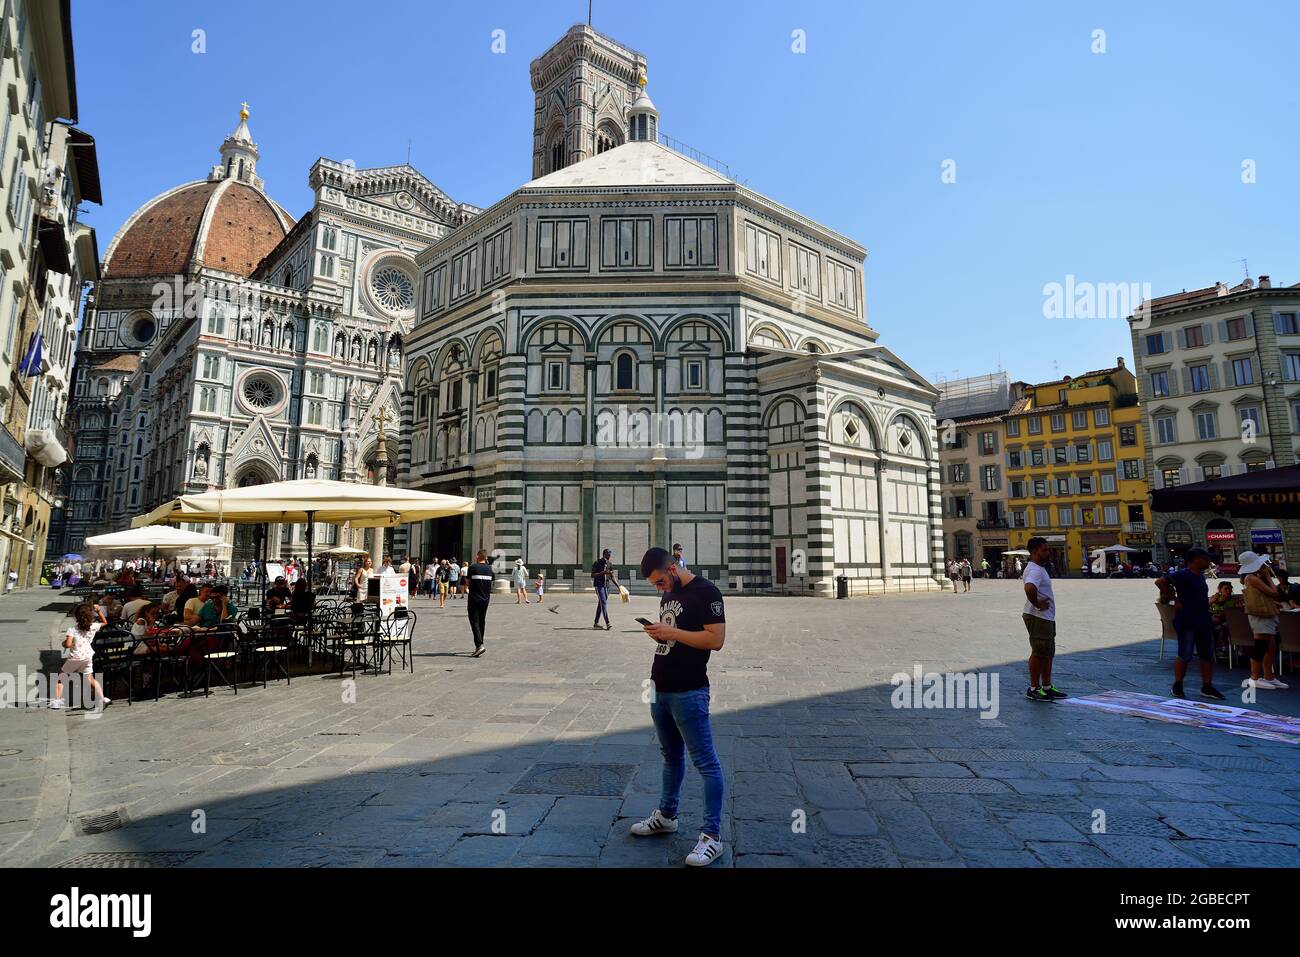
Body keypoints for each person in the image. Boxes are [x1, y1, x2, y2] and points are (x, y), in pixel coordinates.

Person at [629, 546, 726, 867]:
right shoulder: (667, 595)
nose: (659, 589)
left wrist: (671, 632)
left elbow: (715, 639)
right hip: (660, 686)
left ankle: (712, 837)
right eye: (655, 585)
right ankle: (667, 816)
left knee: (706, 763)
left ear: (672, 568)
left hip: (690, 689)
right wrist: (659, 634)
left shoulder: (706, 592)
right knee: (670, 756)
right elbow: (673, 638)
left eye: (659, 581)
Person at [1155, 548, 1225, 700]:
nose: (1208, 561)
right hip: (1187, 620)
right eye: (1205, 558)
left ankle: (1207, 686)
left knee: (1206, 655)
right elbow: (1160, 582)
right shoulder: (1183, 574)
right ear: (1194, 560)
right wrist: (1175, 598)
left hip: (1203, 619)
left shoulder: (1200, 576)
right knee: (1185, 654)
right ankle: (1178, 685)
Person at [1022, 536, 1066, 702]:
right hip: (1038, 616)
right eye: (1044, 550)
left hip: (1045, 617)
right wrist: (1037, 603)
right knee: (1039, 652)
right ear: (1034, 552)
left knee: (1047, 653)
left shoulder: (1038, 568)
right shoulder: (1035, 569)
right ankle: (1034, 688)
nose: (1048, 553)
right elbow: (1029, 588)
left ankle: (1047, 687)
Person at [1239, 550, 1286, 691]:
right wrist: (1268, 575)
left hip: (1264, 614)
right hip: (1260, 615)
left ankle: (1269, 676)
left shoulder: (1250, 577)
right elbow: (1274, 593)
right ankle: (1254, 678)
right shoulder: (1252, 578)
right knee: (1261, 644)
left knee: (1270, 645)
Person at [52, 602, 109, 709]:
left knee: (61, 678)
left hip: (75, 657)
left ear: (76, 617)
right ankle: (102, 698)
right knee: (91, 679)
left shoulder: (72, 629)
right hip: (87, 657)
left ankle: (57, 701)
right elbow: (104, 622)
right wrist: (99, 611)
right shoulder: (93, 626)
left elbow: (68, 644)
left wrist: (64, 643)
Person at [466, 549, 494, 657]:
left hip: (474, 599)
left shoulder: (472, 567)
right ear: (485, 557)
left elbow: (468, 583)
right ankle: (480, 643)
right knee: (482, 621)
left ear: (478, 556)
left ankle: (479, 645)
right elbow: (491, 583)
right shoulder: (490, 569)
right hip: (485, 599)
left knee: (474, 621)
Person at [591, 548, 618, 630]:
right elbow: (592, 575)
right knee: (603, 603)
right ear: (604, 554)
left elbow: (612, 577)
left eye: (610, 554)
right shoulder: (597, 563)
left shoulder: (610, 564)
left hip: (606, 586)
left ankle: (596, 623)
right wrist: (603, 573)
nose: (609, 556)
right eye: (608, 554)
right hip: (599, 585)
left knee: (601, 604)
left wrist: (618, 586)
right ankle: (608, 623)